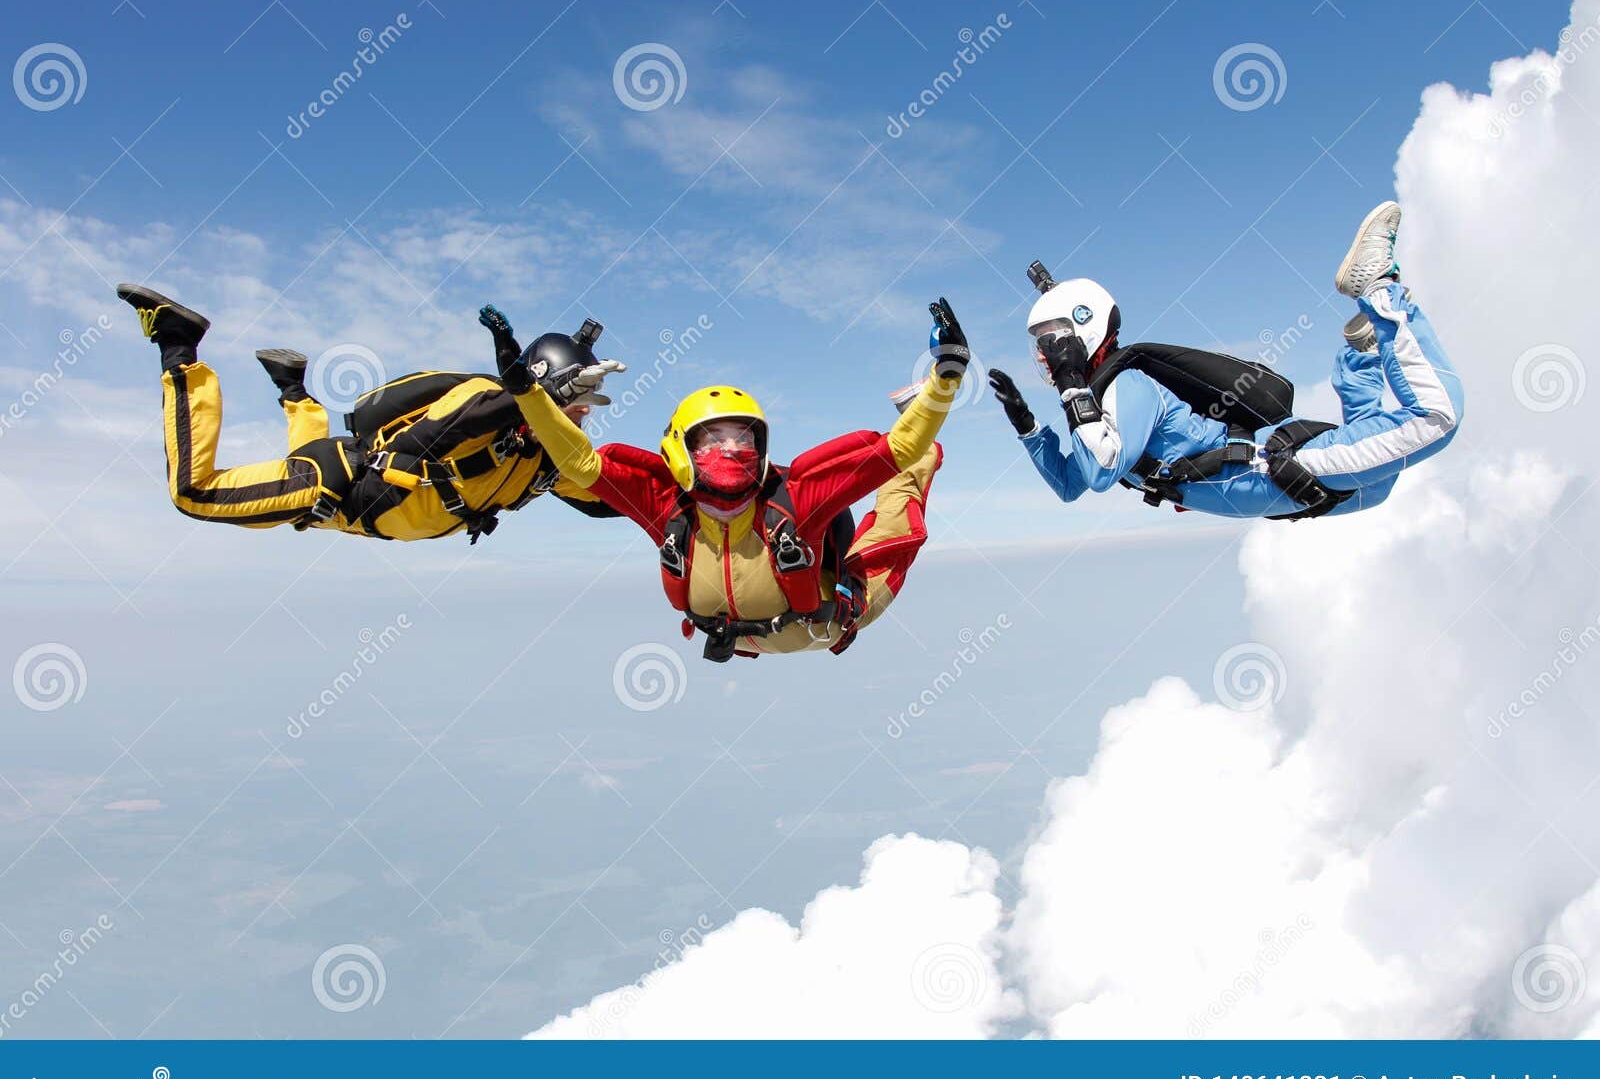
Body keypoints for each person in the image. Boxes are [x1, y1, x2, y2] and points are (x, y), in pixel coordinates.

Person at [505, 299, 973, 661]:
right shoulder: (665, 503)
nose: (730, 450)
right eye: (712, 439)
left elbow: (896, 451)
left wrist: (944, 379)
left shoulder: (795, 495)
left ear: (764, 448)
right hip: (740, 637)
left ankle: (919, 423)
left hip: (824, 622)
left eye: (743, 439)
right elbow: (580, 463)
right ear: (681, 450)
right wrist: (525, 393)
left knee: (897, 526)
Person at [987, 201, 1464, 520]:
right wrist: (1028, 427)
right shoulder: (1098, 406)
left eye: (1051, 343)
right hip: (1280, 491)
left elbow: (1099, 471)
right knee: (1379, 487)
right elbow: (1072, 484)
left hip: (1280, 467)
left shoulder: (1127, 387)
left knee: (1436, 418)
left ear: (1082, 336)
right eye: (1041, 347)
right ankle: (1360, 353)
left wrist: (1073, 386)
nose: (1045, 358)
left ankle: (1378, 286)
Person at [116, 284, 622, 541]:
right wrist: (529, 396)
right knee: (193, 494)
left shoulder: (546, 463)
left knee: (301, 509)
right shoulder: (481, 397)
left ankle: (294, 390)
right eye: (575, 407)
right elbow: (432, 436)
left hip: (355, 511)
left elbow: (607, 499)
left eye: (583, 413)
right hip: (343, 485)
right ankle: (178, 346)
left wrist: (687, 484)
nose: (578, 423)